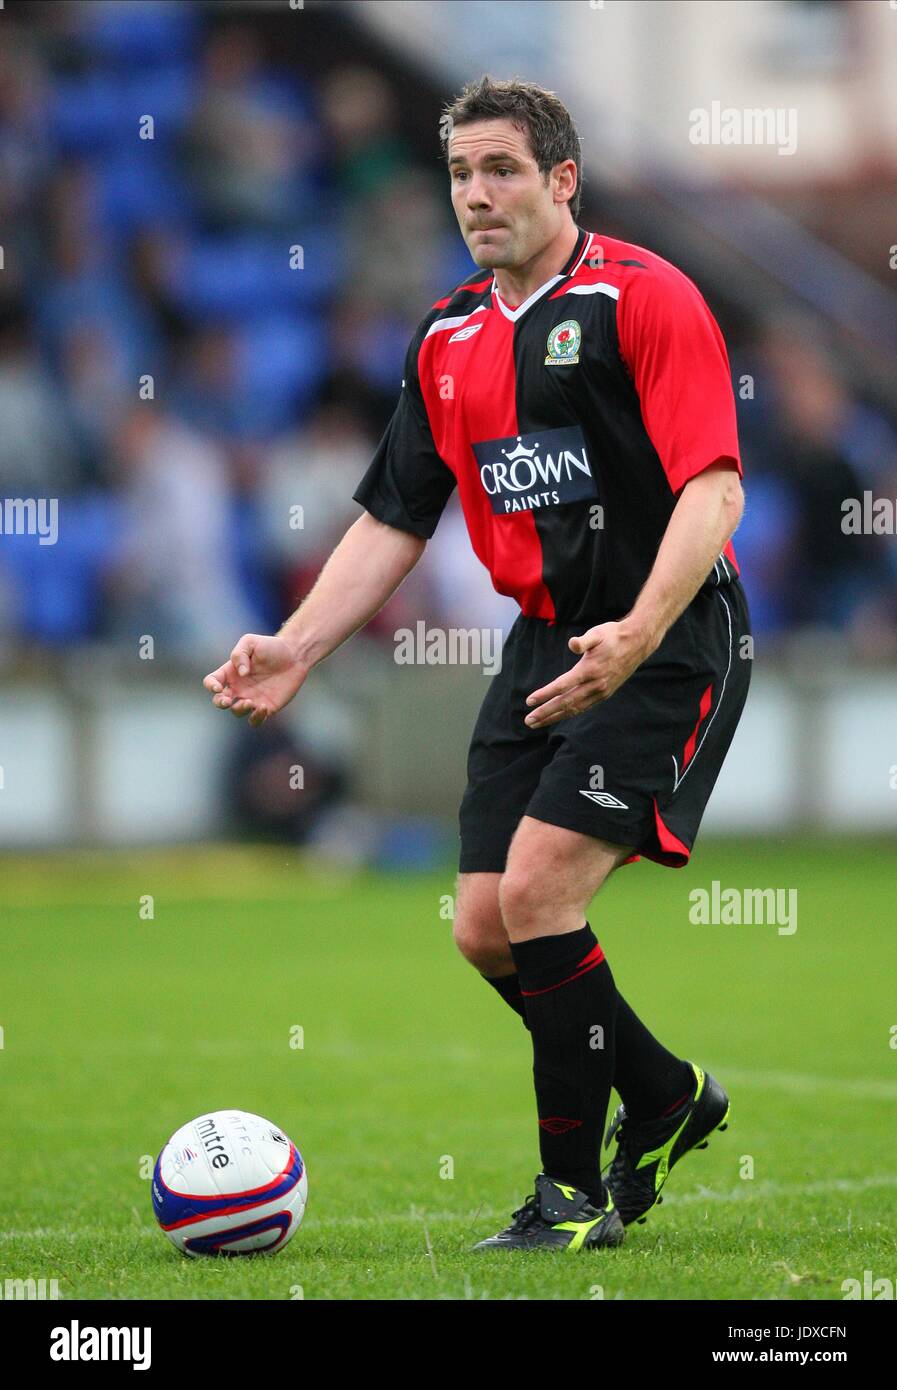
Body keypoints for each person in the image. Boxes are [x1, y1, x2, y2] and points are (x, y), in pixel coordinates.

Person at [204, 76, 751, 1254]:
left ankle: (571, 1197)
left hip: (665, 635)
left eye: (502, 169)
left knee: (543, 890)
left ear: (562, 179)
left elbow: (715, 487)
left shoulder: (645, 300)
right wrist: (298, 642)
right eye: (459, 173)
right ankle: (662, 1097)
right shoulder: (448, 337)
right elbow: (398, 517)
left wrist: (642, 630)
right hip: (545, 644)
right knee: (485, 927)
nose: (476, 195)